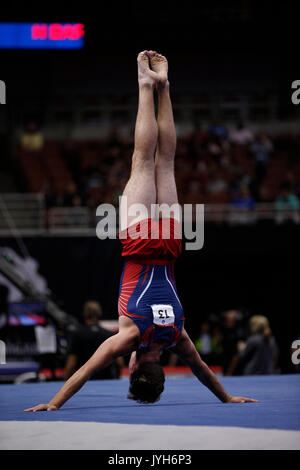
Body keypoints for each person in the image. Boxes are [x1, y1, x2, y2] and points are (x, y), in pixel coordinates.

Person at [25, 51, 257, 412]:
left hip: (171, 240)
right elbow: (86, 369)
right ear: (133, 369)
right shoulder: (129, 336)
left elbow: (203, 371)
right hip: (139, 239)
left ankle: (164, 87)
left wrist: (226, 396)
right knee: (142, 158)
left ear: (161, 368)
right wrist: (53, 404)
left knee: (165, 162)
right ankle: (145, 84)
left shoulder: (177, 337)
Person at [64, 301, 123, 380]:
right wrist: (116, 379)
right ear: (100, 314)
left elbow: (71, 364)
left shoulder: (77, 334)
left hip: (83, 382)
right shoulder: (109, 335)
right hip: (106, 381)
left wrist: (66, 382)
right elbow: (119, 363)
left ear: (85, 314)